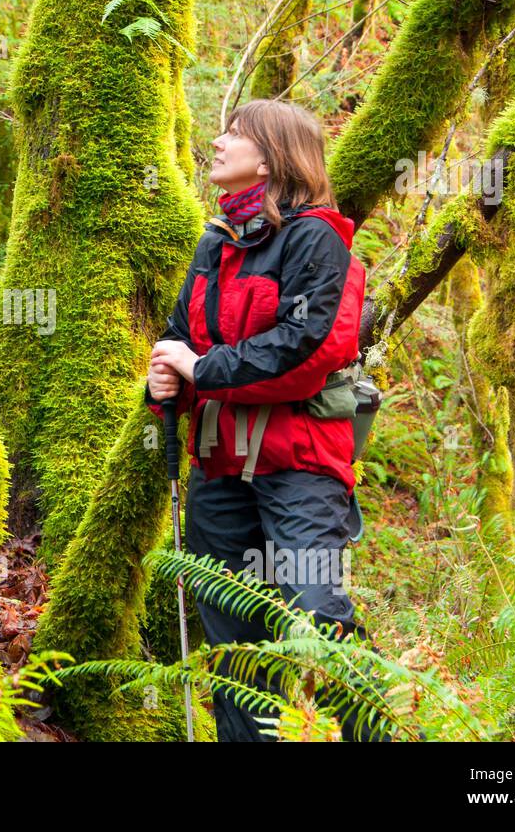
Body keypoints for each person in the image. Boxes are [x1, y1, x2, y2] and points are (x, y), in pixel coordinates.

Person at [144, 98, 388, 742]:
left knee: (318, 620)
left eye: (234, 134)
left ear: (272, 158)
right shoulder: (215, 242)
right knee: (233, 641)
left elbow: (305, 350)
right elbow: (181, 335)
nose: (218, 142)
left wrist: (202, 369)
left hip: (301, 467)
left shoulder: (316, 239)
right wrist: (164, 377)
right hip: (220, 469)